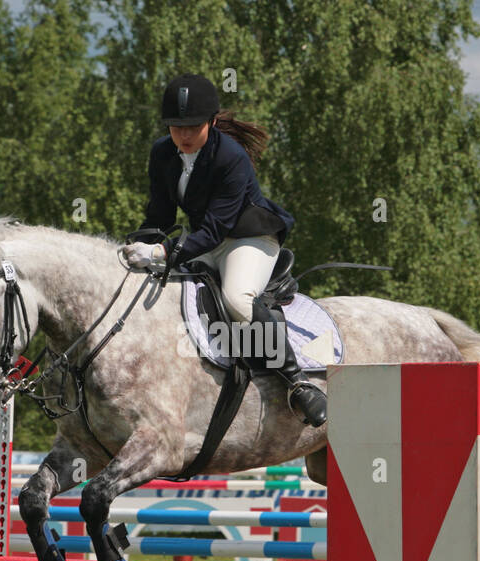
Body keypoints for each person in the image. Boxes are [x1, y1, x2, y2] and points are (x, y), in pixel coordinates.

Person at [121, 73, 327, 426]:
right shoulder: (162, 153)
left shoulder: (230, 157)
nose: (183, 135)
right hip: (205, 240)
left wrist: (163, 254)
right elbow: (159, 214)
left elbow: (216, 228)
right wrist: (140, 246)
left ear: (212, 122)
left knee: (236, 298)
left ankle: (298, 382)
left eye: (193, 127)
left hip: (248, 240)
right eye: (176, 127)